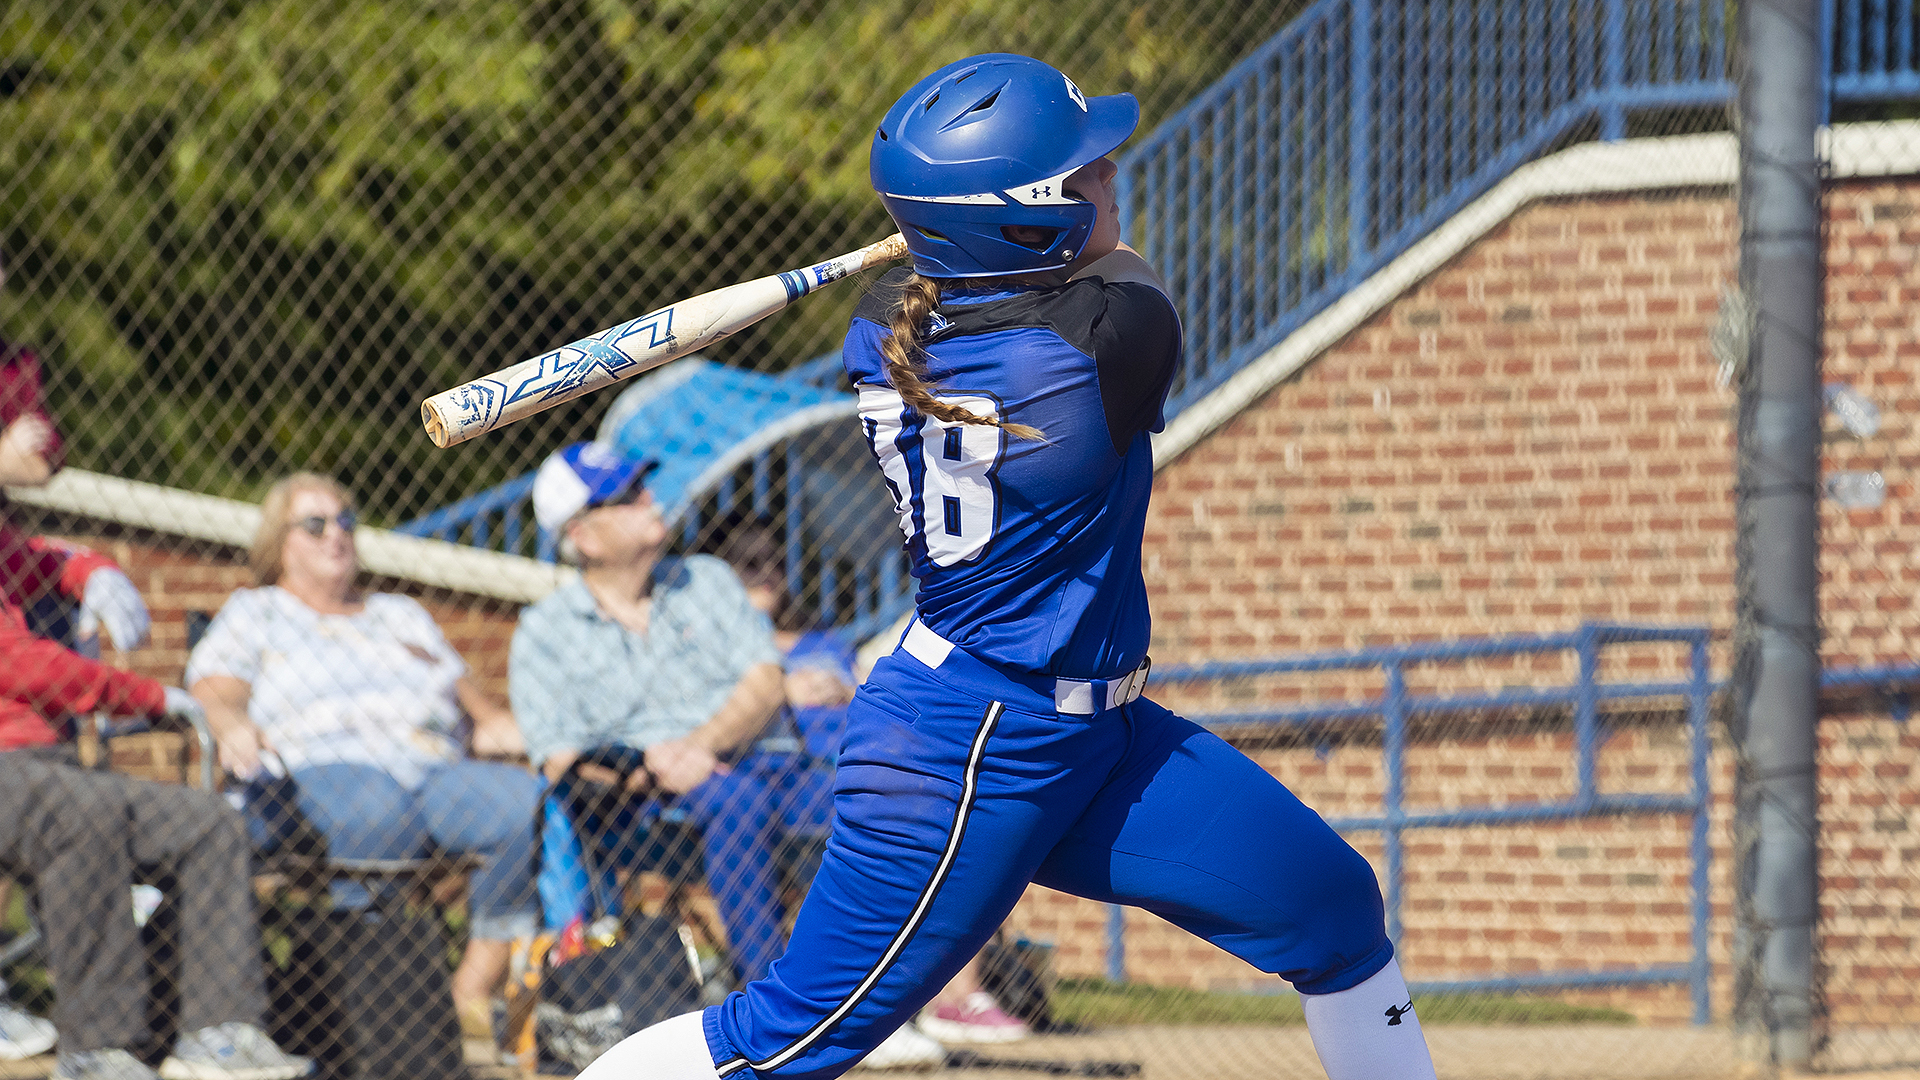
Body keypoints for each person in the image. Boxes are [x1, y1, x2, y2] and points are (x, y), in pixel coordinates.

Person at [575, 54, 1441, 1080]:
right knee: (792, 1035)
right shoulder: (1095, 351)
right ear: (1022, 225)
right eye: (1082, 177)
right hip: (974, 743)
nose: (1111, 173)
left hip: (1099, 736)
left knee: (1329, 908)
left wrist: (979, 229)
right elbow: (1126, 274)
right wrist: (993, 235)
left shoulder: (889, 335)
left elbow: (1005, 282)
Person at [185, 473, 541, 1062]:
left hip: (431, 770)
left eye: (346, 520)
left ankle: (469, 994)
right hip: (315, 768)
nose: (336, 535)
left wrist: (558, 741)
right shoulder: (258, 612)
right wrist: (231, 726)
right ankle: (355, 1001)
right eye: (315, 524)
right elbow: (216, 693)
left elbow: (484, 718)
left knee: (527, 804)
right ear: (281, 542)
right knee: (379, 812)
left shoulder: (400, 614)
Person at [509, 445, 838, 989]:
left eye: (644, 486)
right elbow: (558, 759)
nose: (650, 500)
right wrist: (647, 769)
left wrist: (699, 747)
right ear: (583, 535)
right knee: (736, 800)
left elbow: (765, 681)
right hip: (644, 802)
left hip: (769, 762)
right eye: (627, 496)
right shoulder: (544, 631)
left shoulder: (705, 579)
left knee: (873, 798)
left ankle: (894, 997)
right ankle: (779, 1001)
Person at [716, 523, 1028, 1045]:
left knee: (963, 818)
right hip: (791, 781)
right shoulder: (727, 649)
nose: (766, 573)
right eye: (749, 564)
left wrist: (847, 685)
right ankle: (897, 1004)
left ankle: (950, 997)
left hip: (862, 768)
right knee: (901, 828)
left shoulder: (821, 639)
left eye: (773, 560)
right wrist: (782, 692)